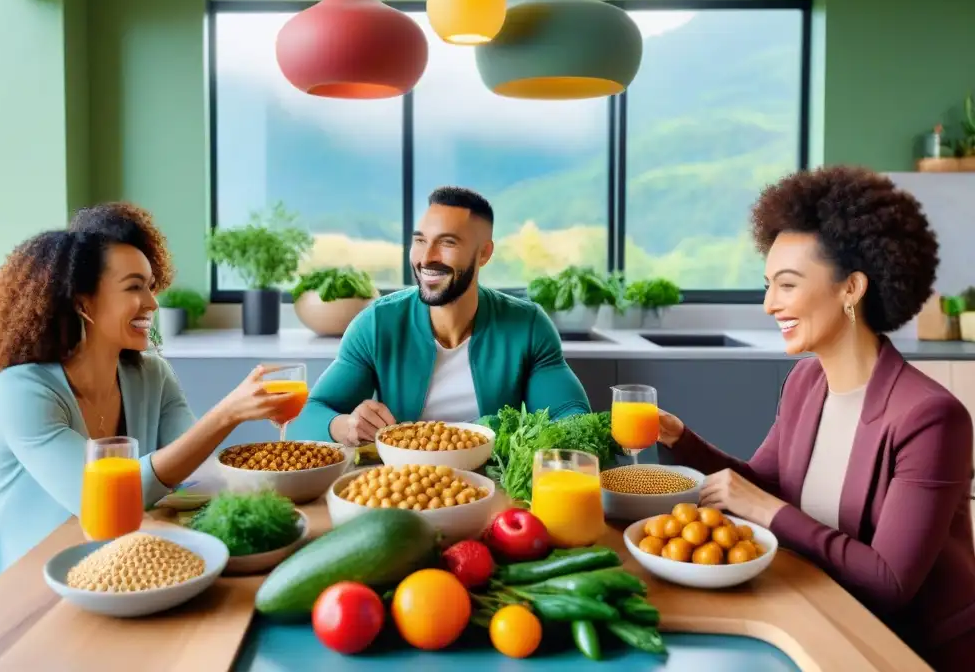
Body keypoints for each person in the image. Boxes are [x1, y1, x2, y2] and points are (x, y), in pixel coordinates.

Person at [658, 166, 975, 670]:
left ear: (851, 288)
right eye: (768, 285)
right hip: (823, 611)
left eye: (787, 285)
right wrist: (680, 439)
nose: (769, 305)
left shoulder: (931, 419)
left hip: (908, 651)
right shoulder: (807, 381)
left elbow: (890, 583)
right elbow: (764, 486)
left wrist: (766, 510)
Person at [0, 202, 297, 605]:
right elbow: (102, 498)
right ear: (83, 302)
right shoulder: (22, 390)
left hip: (94, 579)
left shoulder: (152, 375)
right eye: (134, 287)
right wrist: (228, 414)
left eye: (151, 285)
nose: (152, 303)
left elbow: (194, 468)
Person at [300, 186, 591, 446]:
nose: (427, 258)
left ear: (483, 254)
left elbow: (571, 414)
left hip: (496, 479)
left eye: (447, 242)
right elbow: (307, 414)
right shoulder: (376, 324)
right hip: (403, 480)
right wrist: (344, 426)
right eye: (420, 241)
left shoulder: (528, 325)